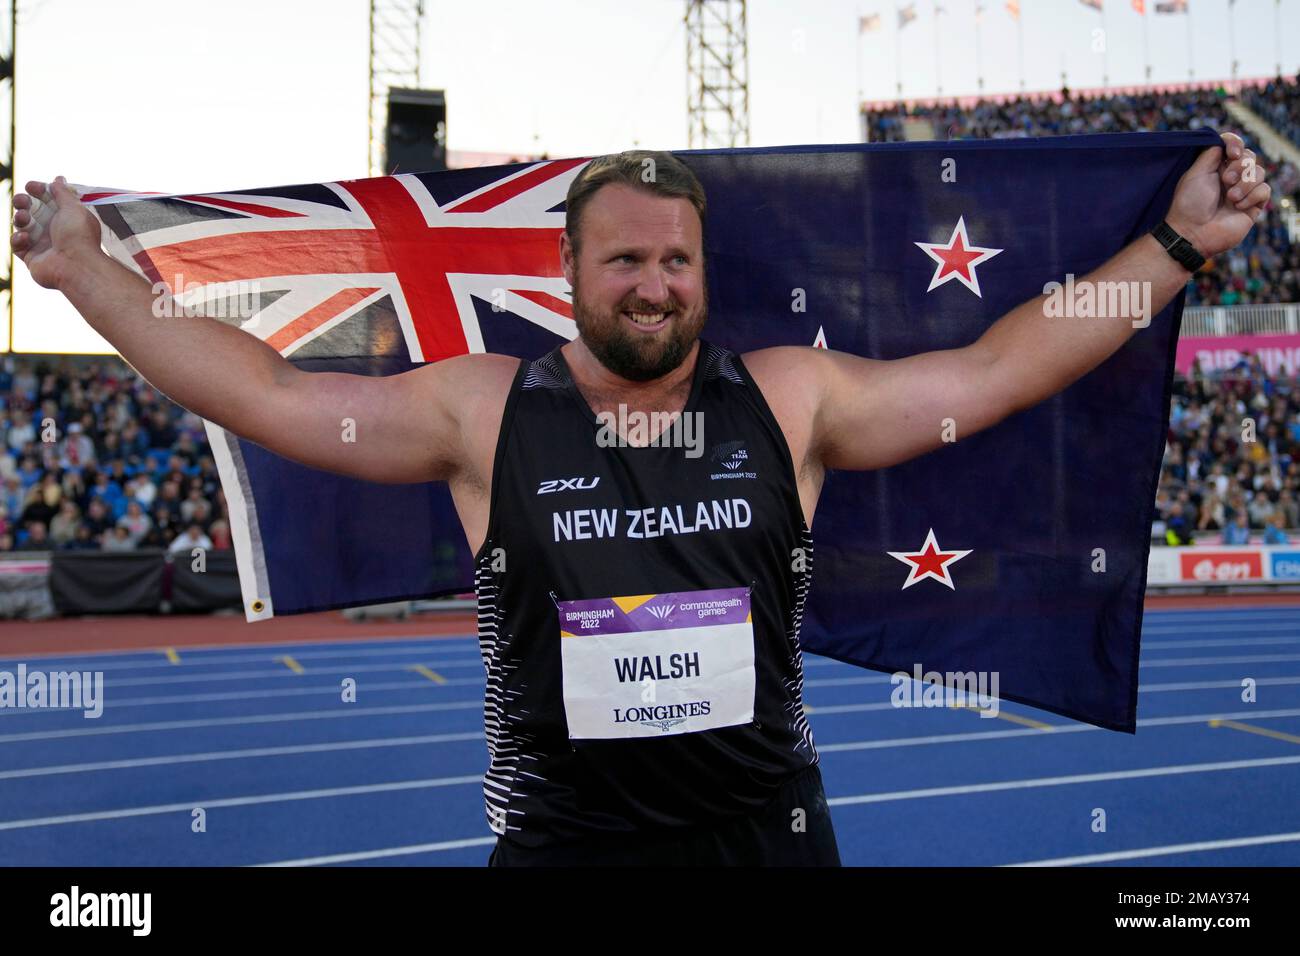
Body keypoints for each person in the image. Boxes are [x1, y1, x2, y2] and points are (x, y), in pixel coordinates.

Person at [11, 134, 1269, 866]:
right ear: (569, 272)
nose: (654, 283)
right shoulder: (482, 411)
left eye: (676, 258)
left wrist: (1174, 246)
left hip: (767, 841)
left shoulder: (790, 401)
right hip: (564, 851)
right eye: (625, 258)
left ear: (704, 270)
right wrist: (81, 273)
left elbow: (996, 371)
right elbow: (267, 391)